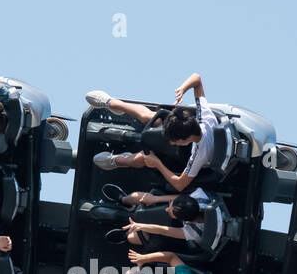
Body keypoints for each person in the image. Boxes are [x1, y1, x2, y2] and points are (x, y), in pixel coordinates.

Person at [86, 73, 219, 191]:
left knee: (144, 158)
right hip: (192, 137)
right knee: (150, 117)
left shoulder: (199, 155)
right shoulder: (205, 117)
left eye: (174, 141)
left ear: (184, 139)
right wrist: (182, 89)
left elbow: (180, 184)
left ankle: (118, 160)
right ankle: (113, 103)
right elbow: (197, 79)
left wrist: (157, 163)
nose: (172, 142)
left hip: (184, 158)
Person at [119, 192, 208, 253]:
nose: (166, 209)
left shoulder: (194, 232)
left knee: (132, 238)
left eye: (170, 211)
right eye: (170, 204)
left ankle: (125, 235)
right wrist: (154, 199)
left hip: (185, 243)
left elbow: (163, 231)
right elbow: (181, 197)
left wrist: (140, 226)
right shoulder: (201, 196)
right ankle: (124, 200)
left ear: (182, 220)